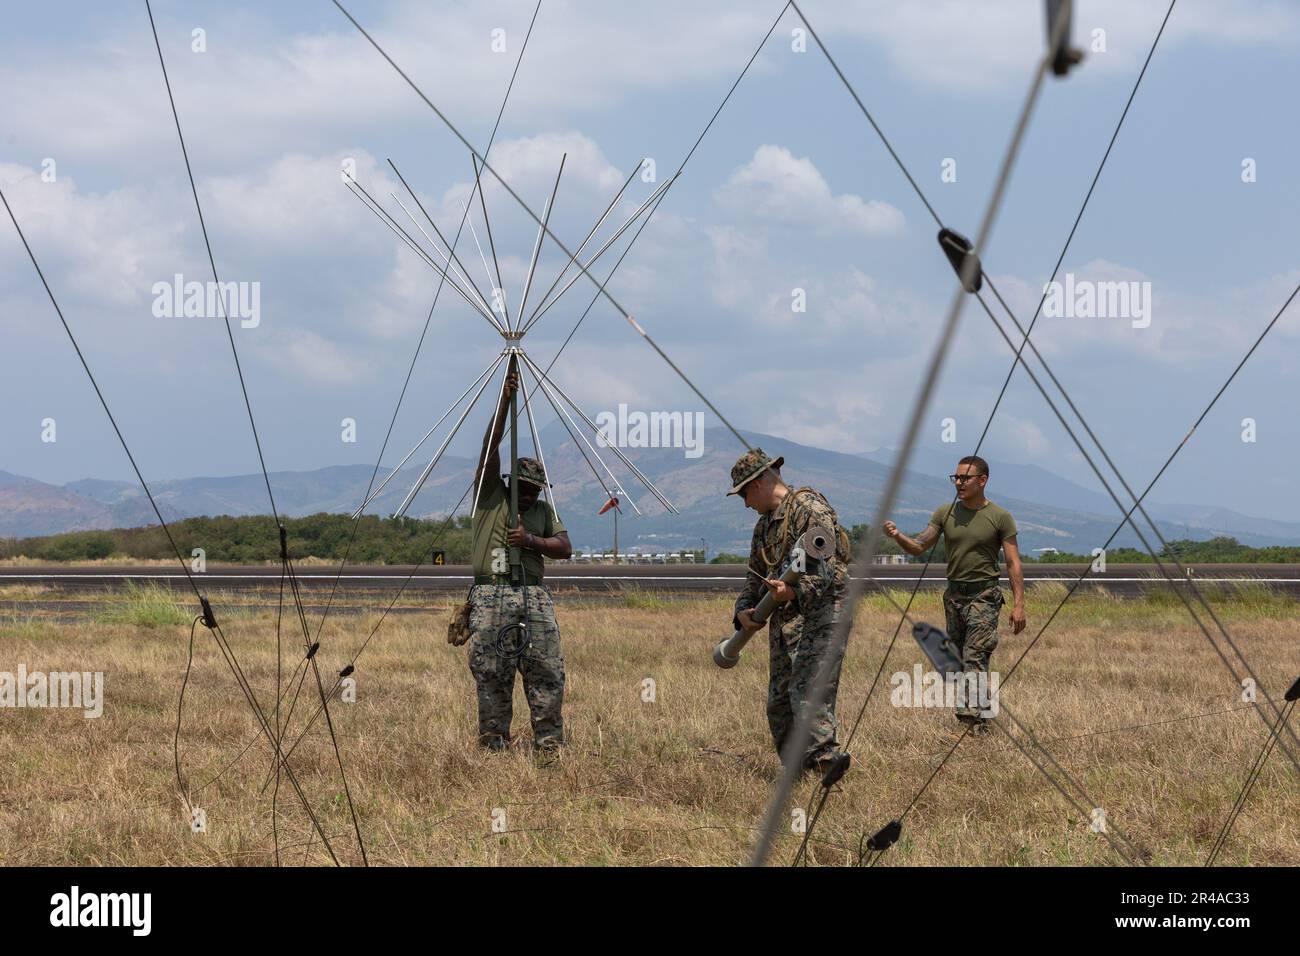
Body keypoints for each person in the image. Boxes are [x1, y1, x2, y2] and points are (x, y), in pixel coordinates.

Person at [466, 368, 572, 752]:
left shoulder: (542, 511)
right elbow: (489, 448)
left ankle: (549, 748)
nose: (528, 496)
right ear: (512, 482)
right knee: (492, 675)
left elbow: (565, 547)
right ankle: (494, 747)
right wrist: (505, 401)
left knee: (546, 672)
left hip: (533, 596)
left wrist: (531, 541)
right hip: (492, 596)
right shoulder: (491, 494)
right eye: (524, 489)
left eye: (535, 491)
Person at [729, 448, 851, 774]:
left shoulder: (809, 510)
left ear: (756, 485)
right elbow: (755, 575)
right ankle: (798, 774)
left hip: (820, 616)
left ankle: (827, 765)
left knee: (808, 694)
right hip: (785, 622)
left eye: (743, 494)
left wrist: (794, 590)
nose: (744, 504)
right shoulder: (765, 526)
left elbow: (832, 567)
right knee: (779, 704)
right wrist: (743, 610)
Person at [883, 455, 1025, 733]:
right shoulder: (945, 513)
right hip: (954, 597)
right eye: (956, 478)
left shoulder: (1000, 517)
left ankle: (968, 721)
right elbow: (919, 546)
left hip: (984, 596)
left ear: (982, 481)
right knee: (961, 660)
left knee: (975, 655)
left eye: (965, 478)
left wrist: (1019, 605)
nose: (959, 483)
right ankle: (981, 723)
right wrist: (898, 536)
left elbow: (1013, 563)